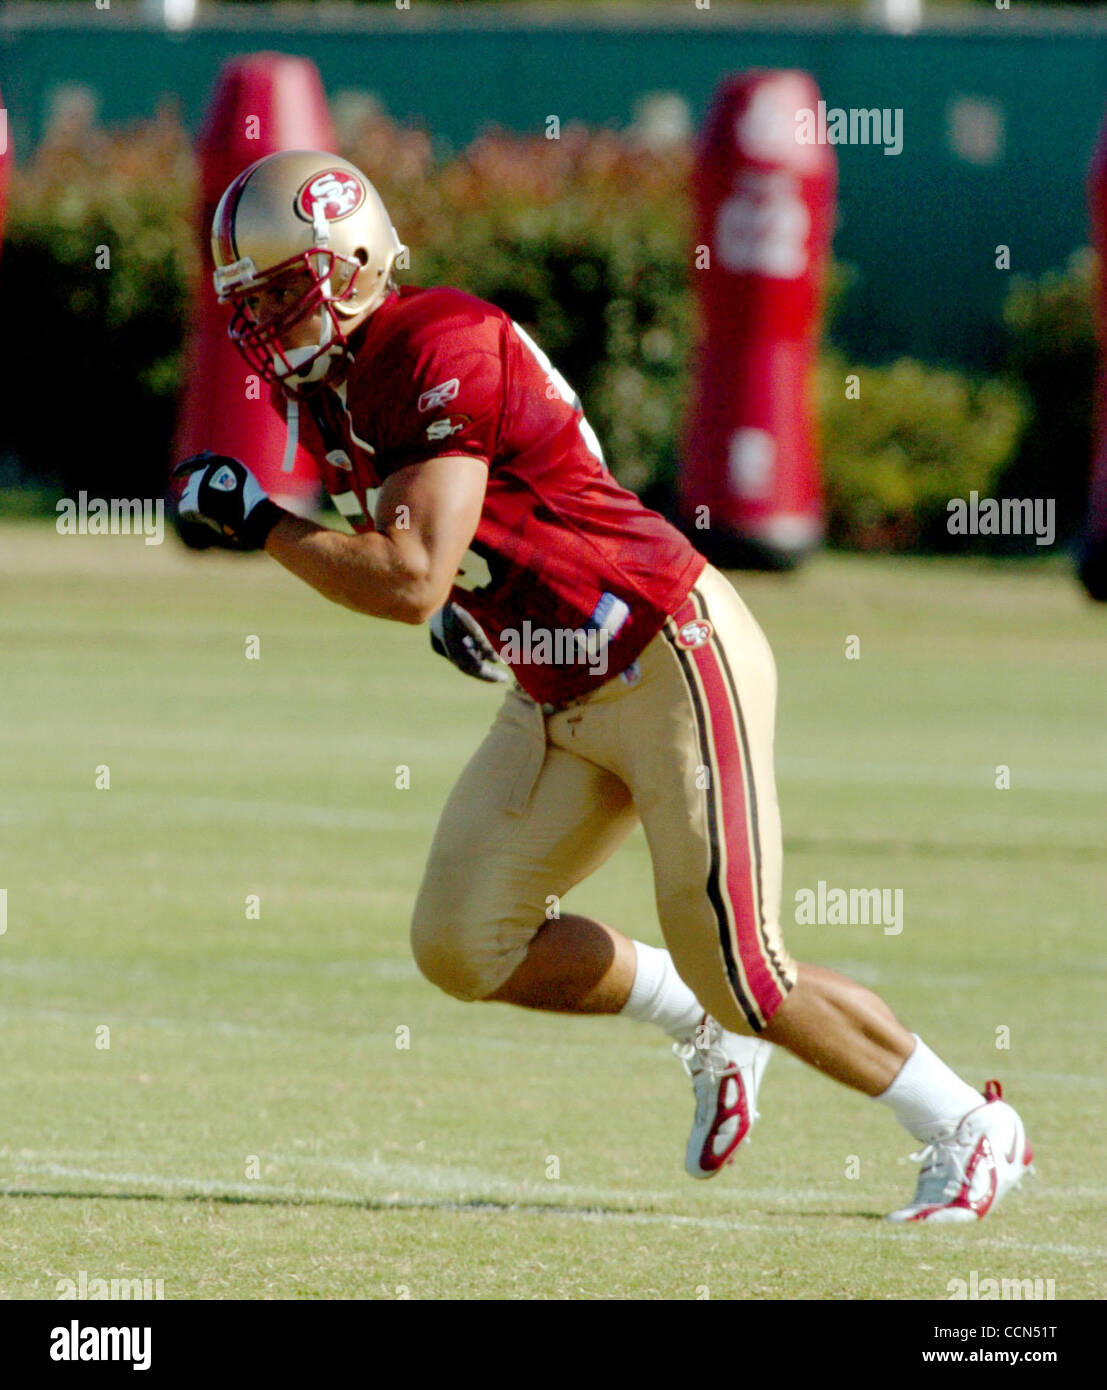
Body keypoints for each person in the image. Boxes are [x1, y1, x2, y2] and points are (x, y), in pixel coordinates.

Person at [178, 150, 1033, 1220]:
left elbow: (405, 575)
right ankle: (697, 1020)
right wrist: (468, 611)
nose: (266, 322)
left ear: (349, 260)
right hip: (557, 682)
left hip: (664, 647)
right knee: (462, 939)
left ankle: (967, 1123)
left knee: (747, 967)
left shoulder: (431, 339)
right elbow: (475, 537)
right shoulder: (341, 385)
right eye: (248, 303)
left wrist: (260, 520)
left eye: (279, 291)